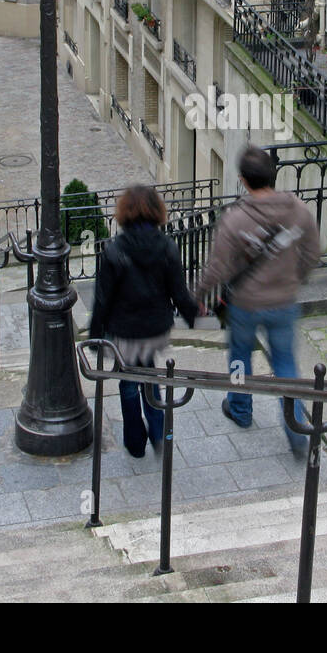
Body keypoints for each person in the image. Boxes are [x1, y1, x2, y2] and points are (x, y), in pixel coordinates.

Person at [193, 146, 320, 453]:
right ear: (272, 176)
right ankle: (296, 431)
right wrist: (296, 278)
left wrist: (195, 295)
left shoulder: (235, 219)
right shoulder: (298, 210)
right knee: (286, 363)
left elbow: (217, 269)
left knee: (239, 357)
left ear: (242, 180)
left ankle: (240, 409)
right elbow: (313, 253)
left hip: (245, 305)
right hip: (284, 302)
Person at [88, 185, 198, 458]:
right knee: (149, 374)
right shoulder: (167, 247)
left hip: (124, 331)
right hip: (154, 329)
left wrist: (95, 334)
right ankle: (159, 433)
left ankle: (135, 442)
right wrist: (195, 317)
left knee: (128, 383)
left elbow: (103, 298)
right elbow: (179, 292)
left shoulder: (114, 251)